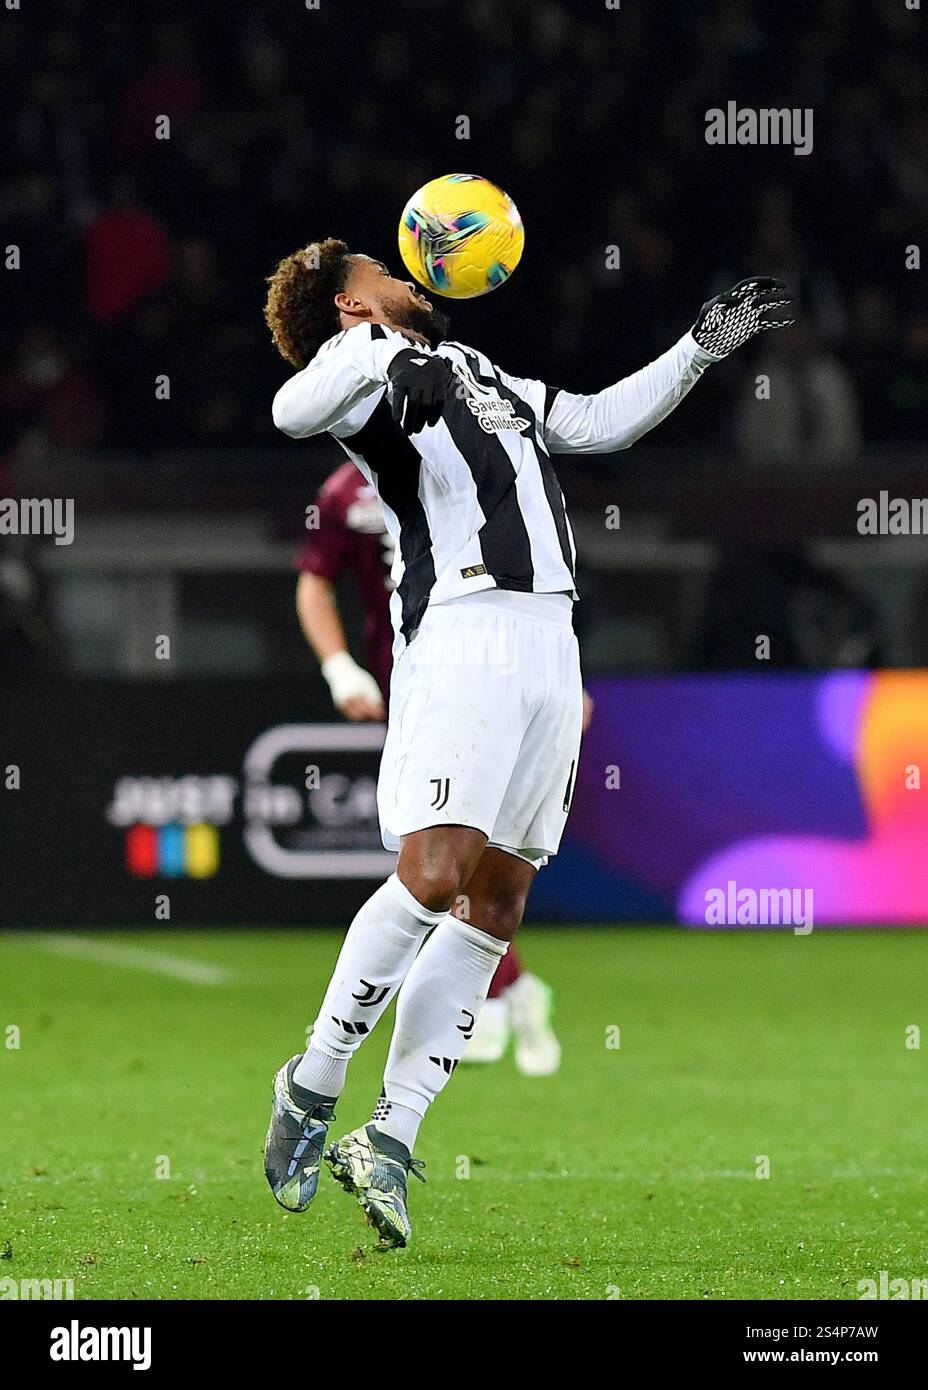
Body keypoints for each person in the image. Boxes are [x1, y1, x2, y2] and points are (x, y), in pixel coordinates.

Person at [263, 238, 794, 1247]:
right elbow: (289, 410)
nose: (409, 274)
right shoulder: (354, 367)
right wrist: (385, 359)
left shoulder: (478, 370)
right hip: (458, 629)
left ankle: (390, 1134)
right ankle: (315, 1077)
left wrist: (698, 347)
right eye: (382, 270)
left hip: (549, 640)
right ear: (346, 306)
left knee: (496, 901)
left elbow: (596, 422)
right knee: (432, 873)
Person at [296, 459, 562, 1072]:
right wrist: (339, 667)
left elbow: (540, 564)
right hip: (412, 682)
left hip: (483, 677)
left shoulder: (474, 457)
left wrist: (560, 676)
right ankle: (507, 991)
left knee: (456, 847)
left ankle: (486, 1000)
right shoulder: (344, 489)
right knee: (447, 851)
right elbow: (314, 579)